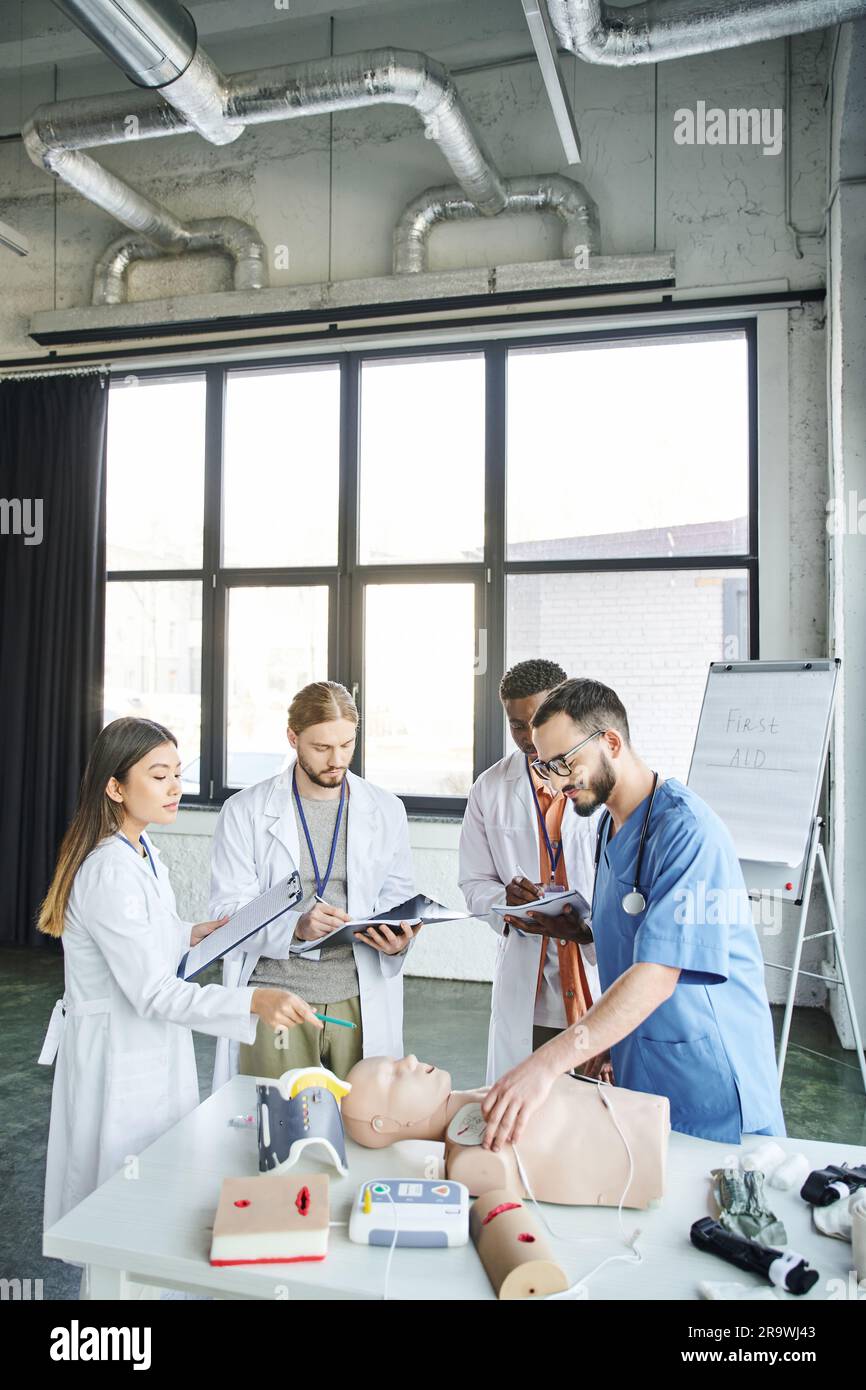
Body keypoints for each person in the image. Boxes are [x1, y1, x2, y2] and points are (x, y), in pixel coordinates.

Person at [481, 678, 786, 1149]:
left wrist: (548, 1061)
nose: (557, 783)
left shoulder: (686, 830)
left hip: (709, 1076)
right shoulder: (609, 825)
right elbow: (628, 937)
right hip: (645, 1067)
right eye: (545, 767)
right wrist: (581, 940)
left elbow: (657, 973)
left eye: (566, 763)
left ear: (611, 742)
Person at [37, 717, 312, 1235]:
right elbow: (154, 992)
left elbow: (143, 939)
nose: (175, 787)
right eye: (158, 775)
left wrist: (191, 933)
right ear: (115, 787)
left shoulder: (141, 854)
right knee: (117, 1217)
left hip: (147, 1052)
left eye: (177, 775)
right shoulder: (109, 872)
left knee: (147, 1203)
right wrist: (251, 1001)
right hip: (119, 1059)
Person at [209, 681, 419, 1091]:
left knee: (361, 1124)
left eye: (346, 745)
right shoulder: (244, 812)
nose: (337, 760)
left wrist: (401, 938)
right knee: (279, 1127)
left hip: (358, 995)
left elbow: (398, 896)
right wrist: (294, 927)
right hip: (278, 996)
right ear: (293, 738)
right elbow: (225, 912)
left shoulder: (386, 809)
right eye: (322, 748)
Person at [458, 659, 601, 1081]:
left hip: (596, 969)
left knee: (602, 1114)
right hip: (533, 987)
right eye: (516, 725)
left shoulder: (600, 782)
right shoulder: (489, 788)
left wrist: (589, 926)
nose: (527, 737)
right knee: (528, 1108)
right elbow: (473, 882)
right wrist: (505, 901)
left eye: (537, 721)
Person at [342, 1054, 669, 1208]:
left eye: (397, 1059)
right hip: (646, 1156)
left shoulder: (479, 1098)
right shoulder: (471, 1161)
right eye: (394, 1076)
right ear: (383, 1124)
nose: (410, 1060)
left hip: (646, 1117)